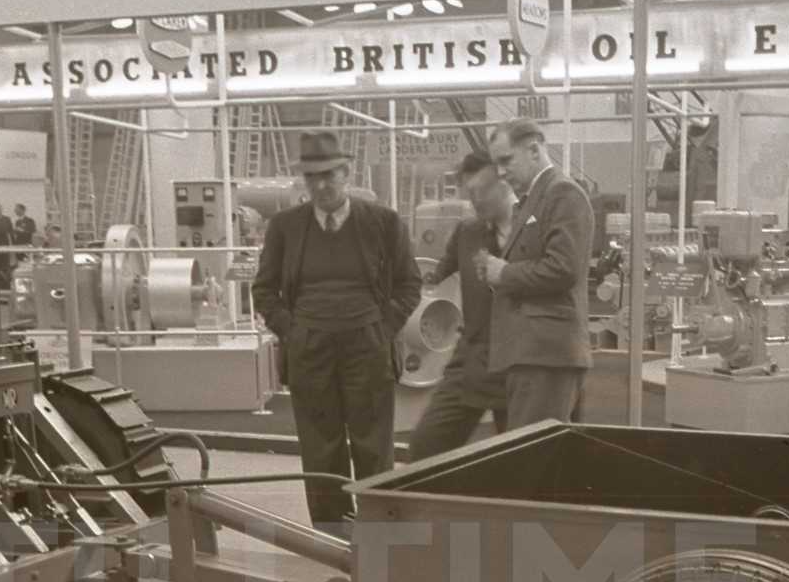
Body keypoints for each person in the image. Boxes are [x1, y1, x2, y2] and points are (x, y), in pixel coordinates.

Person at [251, 131, 421, 537]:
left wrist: (382, 329)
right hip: (310, 349)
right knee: (319, 446)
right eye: (312, 178)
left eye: (329, 175)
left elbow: (409, 284)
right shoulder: (285, 227)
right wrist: (292, 331)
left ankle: (380, 528)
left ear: (347, 173)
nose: (321, 185)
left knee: (372, 443)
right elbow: (264, 289)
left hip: (368, 345)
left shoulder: (383, 223)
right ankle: (331, 534)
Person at [477, 118, 592, 428]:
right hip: (534, 353)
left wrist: (504, 274)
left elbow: (564, 268)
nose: (501, 173)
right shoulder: (534, 200)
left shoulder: (562, 193)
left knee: (533, 460)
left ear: (533, 149)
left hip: (546, 355)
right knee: (543, 459)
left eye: (506, 161)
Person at [407, 151, 518, 462]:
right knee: (425, 449)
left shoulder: (532, 229)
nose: (474, 201)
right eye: (469, 193)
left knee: (522, 465)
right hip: (472, 360)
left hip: (520, 366)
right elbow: (436, 272)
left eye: (481, 191)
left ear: (504, 183)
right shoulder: (468, 232)